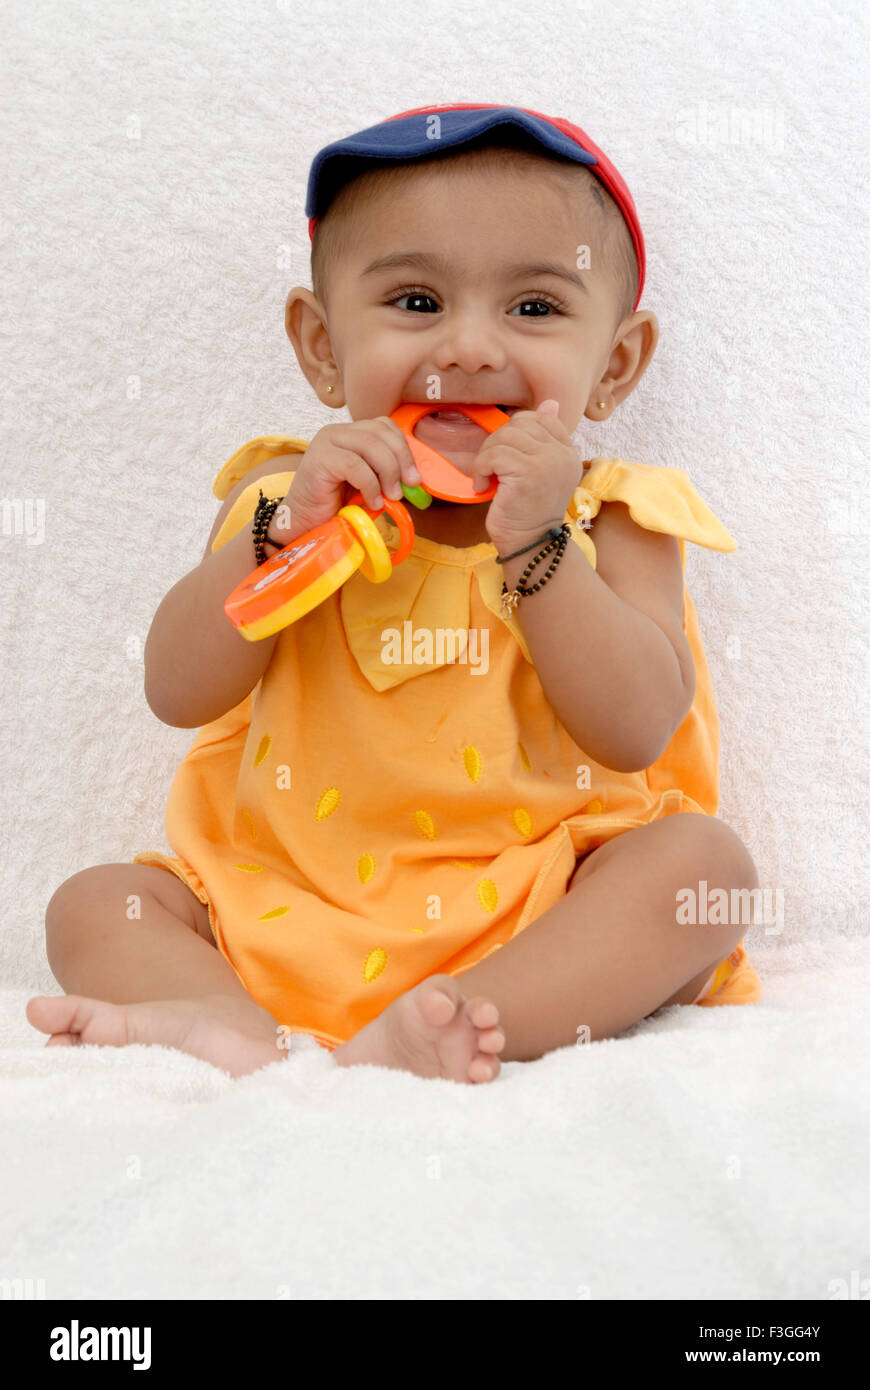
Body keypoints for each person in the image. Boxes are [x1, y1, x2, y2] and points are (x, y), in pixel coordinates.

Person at [27, 105, 761, 1084]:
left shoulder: (616, 519)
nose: (466, 347)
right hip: (287, 902)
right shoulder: (282, 501)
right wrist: (279, 534)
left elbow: (634, 730)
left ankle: (471, 1015)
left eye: (534, 308)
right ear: (322, 347)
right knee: (93, 901)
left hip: (538, 906)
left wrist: (539, 544)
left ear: (614, 367)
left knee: (702, 871)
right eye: (416, 301)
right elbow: (176, 688)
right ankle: (231, 1027)